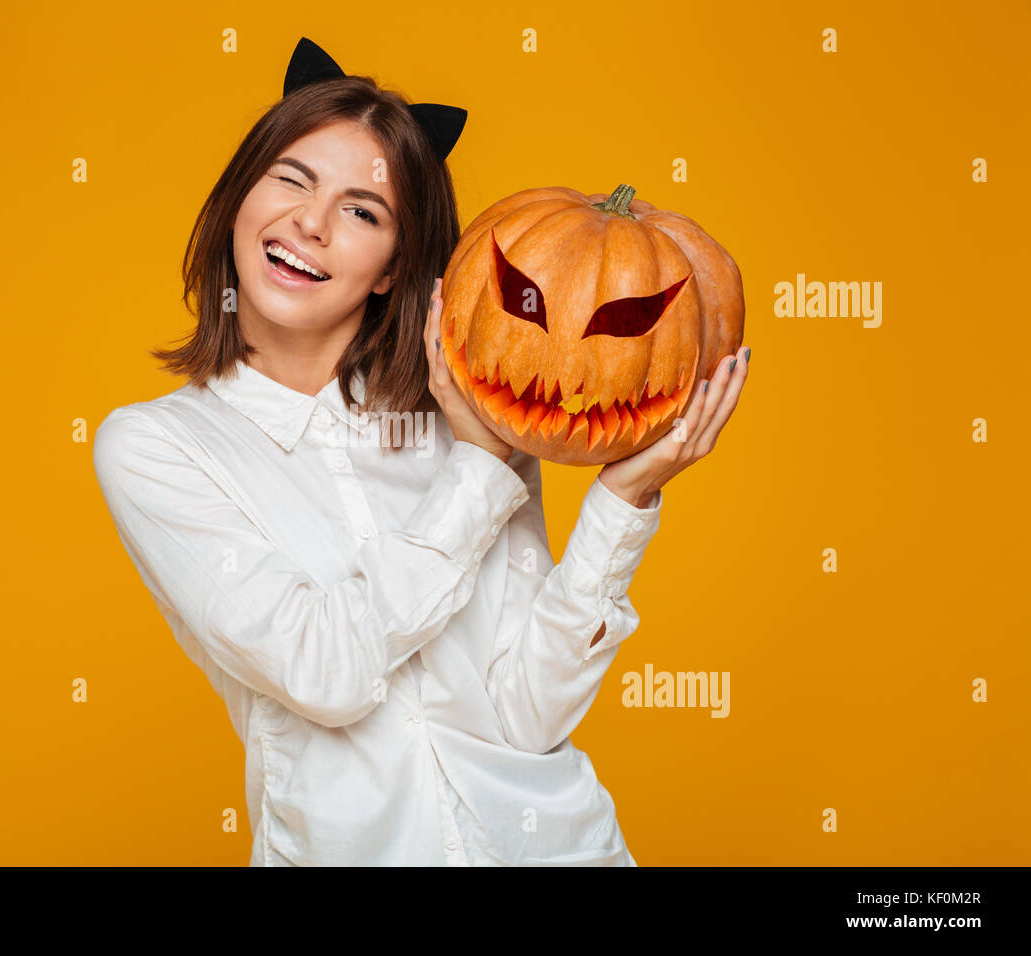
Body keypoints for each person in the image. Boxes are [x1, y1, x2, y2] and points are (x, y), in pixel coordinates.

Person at [92, 37, 749, 866]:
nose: (311, 223)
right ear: (237, 201)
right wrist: (478, 474)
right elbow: (323, 673)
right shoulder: (158, 447)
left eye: (362, 212)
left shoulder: (474, 413)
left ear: (389, 271)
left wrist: (624, 503)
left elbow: (527, 715)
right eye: (292, 180)